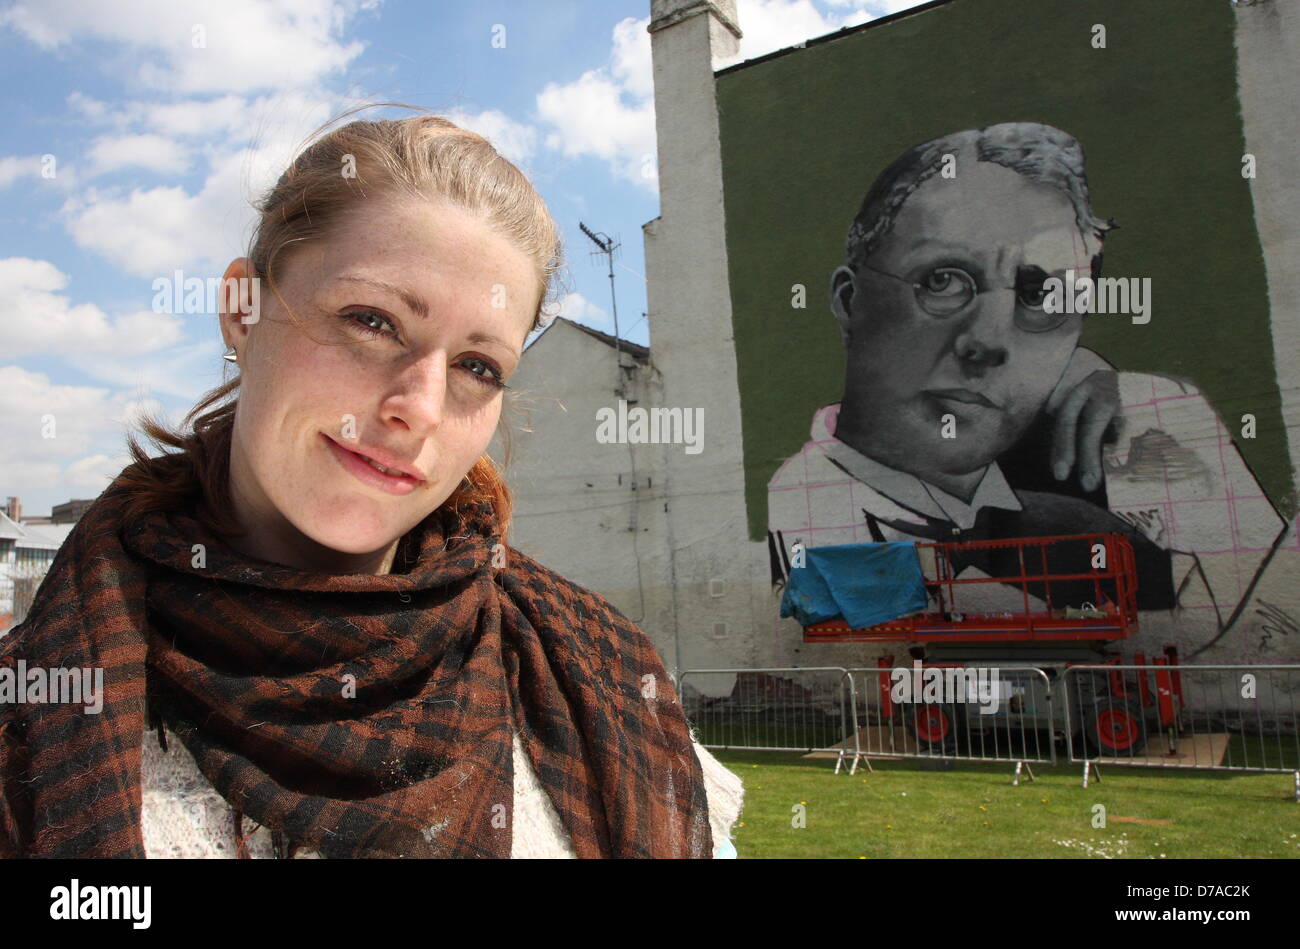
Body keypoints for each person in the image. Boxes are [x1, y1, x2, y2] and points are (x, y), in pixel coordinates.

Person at [0, 108, 742, 858]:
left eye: (477, 367)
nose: (417, 408)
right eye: (373, 321)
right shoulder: (37, 708)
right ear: (241, 310)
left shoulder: (605, 687)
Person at [768, 122, 1284, 634]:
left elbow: (1265, 657)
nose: (990, 340)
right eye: (943, 280)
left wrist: (1175, 430)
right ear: (849, 302)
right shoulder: (796, 513)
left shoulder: (1078, 533)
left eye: (1042, 296)